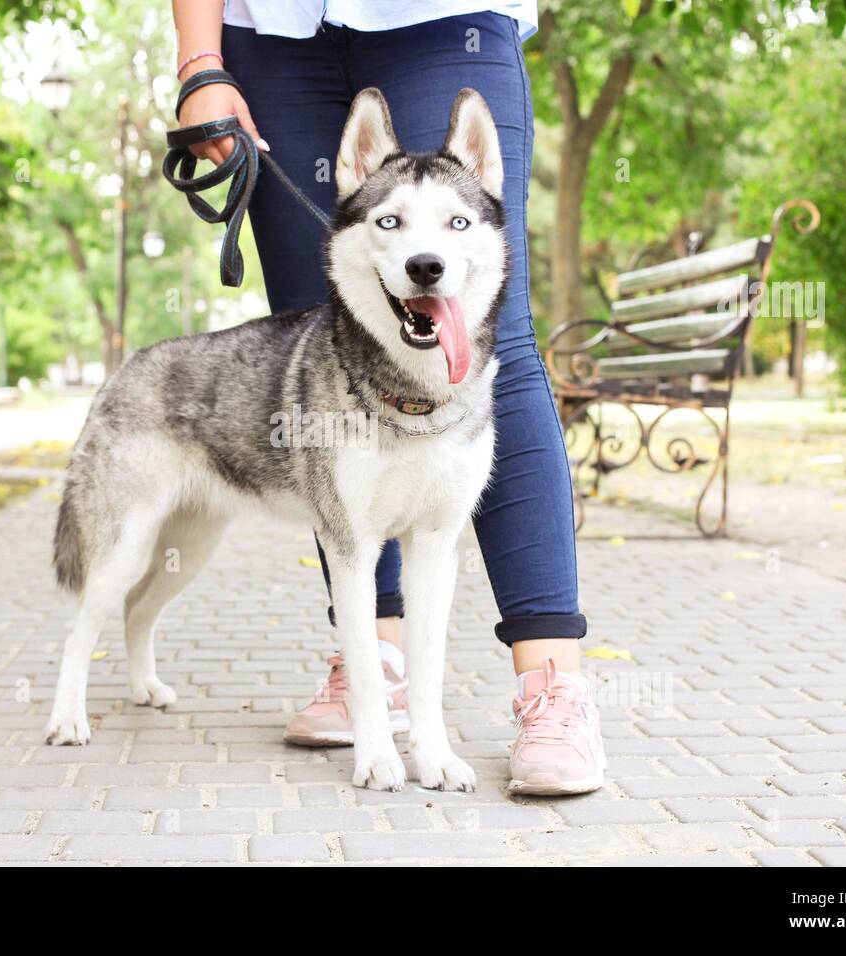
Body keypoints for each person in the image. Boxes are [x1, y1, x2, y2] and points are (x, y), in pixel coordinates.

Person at [171, 0, 605, 794]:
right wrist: (200, 61)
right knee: (318, 350)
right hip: (271, 34)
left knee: (486, 342)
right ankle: (376, 666)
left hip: (446, 14)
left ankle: (552, 687)